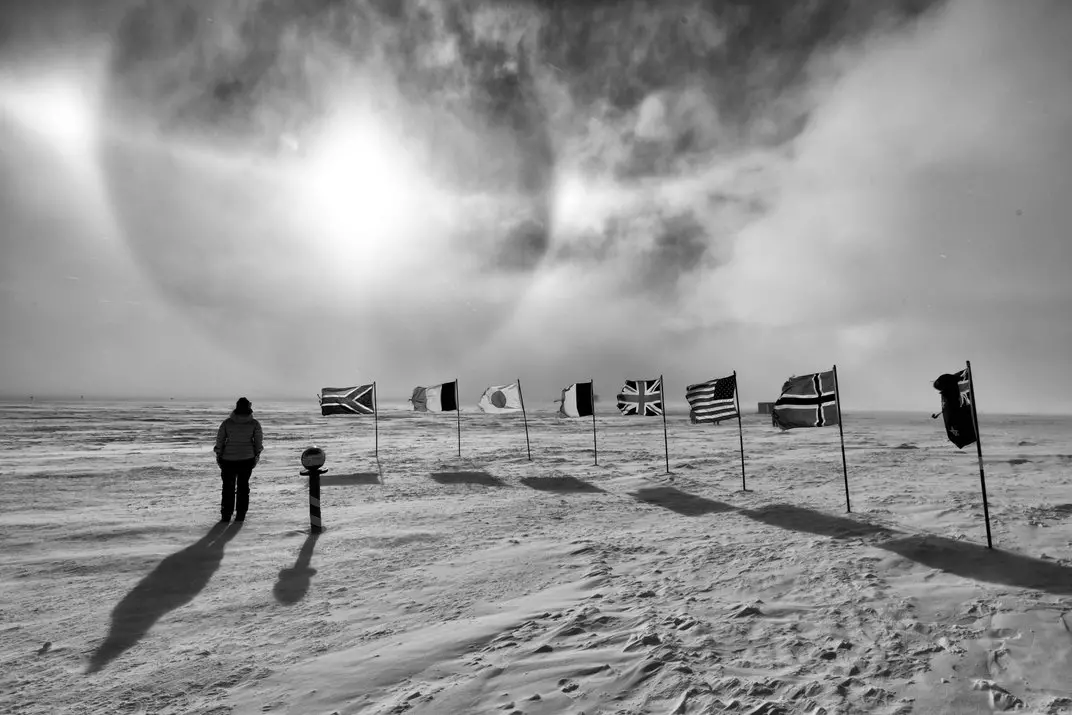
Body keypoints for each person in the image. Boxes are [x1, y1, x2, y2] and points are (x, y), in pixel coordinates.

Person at [214, 397, 263, 522]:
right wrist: (257, 453)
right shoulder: (254, 424)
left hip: (228, 460)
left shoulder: (227, 423)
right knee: (243, 487)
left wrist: (219, 452)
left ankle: (226, 514)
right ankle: (241, 514)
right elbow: (258, 442)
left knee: (227, 488)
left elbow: (220, 440)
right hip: (247, 459)